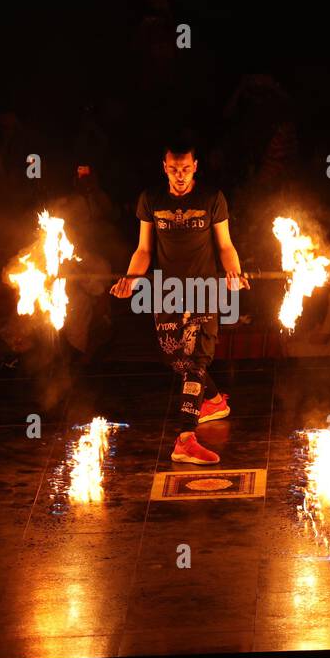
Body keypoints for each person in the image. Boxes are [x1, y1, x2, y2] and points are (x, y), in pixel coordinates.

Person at [111, 136, 247, 466]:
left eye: (186, 168)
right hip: (166, 292)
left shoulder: (212, 198)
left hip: (204, 291)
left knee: (196, 360)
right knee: (178, 360)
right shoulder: (151, 199)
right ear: (165, 167)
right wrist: (130, 279)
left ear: (195, 166)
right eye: (174, 169)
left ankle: (186, 437)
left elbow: (225, 246)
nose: (180, 175)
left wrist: (234, 273)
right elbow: (144, 250)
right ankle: (213, 401)